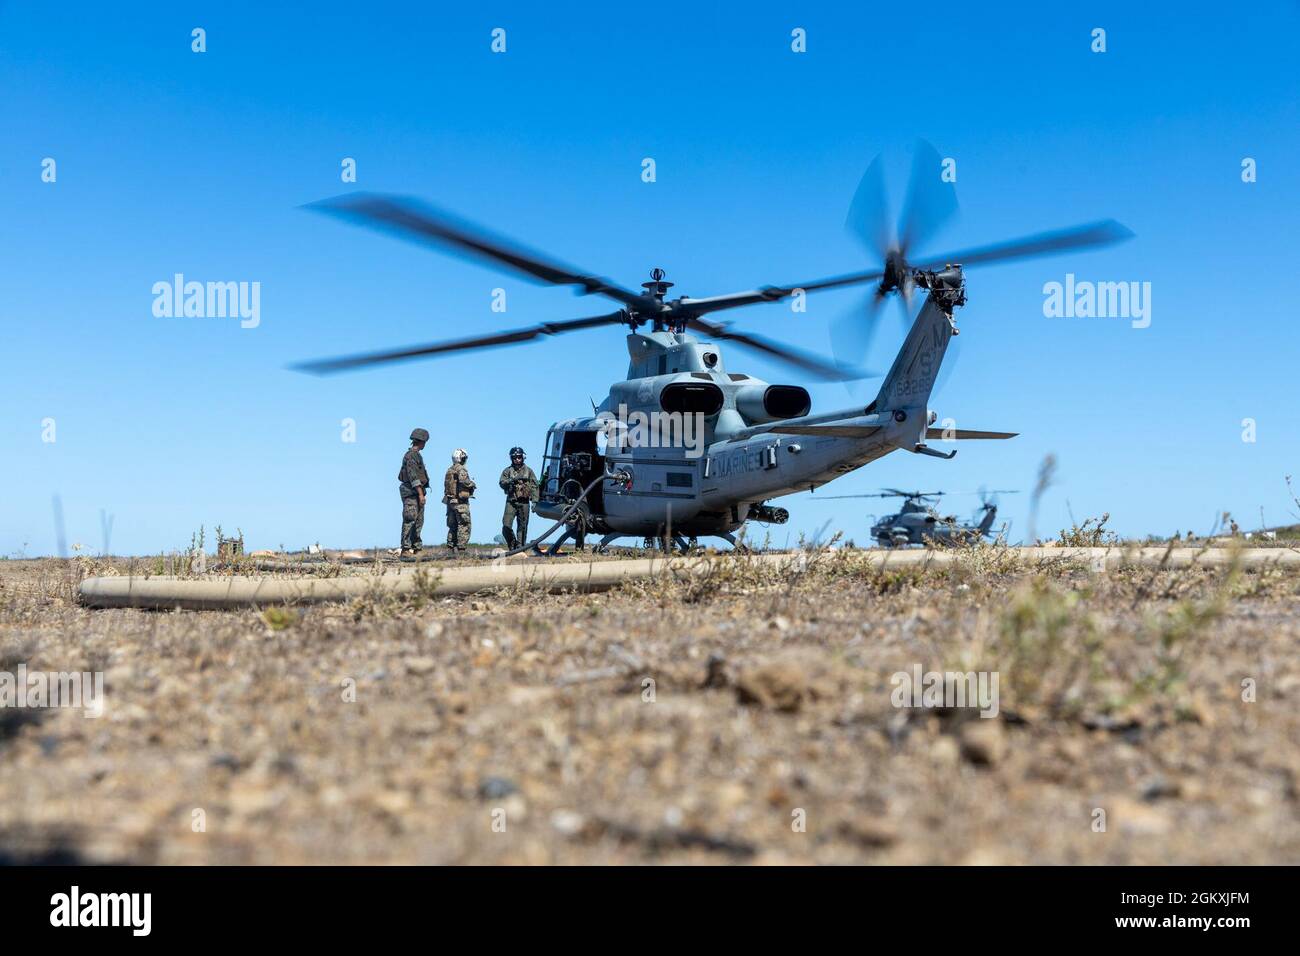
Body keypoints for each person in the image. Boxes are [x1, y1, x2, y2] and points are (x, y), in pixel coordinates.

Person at [498, 446, 539, 549]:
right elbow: (501, 483)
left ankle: (521, 548)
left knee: (522, 527)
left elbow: (534, 486)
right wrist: (509, 481)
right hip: (511, 502)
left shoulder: (529, 471)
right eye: (515, 457)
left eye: (519, 457)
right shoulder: (507, 471)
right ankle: (512, 545)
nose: (517, 459)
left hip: (524, 502)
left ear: (522, 457)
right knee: (506, 526)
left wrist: (535, 501)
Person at [398, 428, 430, 555]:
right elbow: (413, 477)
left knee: (418, 521)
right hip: (412, 493)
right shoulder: (411, 456)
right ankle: (405, 549)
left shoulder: (417, 455)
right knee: (410, 519)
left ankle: (417, 548)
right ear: (421, 442)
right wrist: (421, 494)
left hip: (417, 493)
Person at [443, 448, 475, 554]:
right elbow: (464, 481)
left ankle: (450, 548)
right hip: (460, 503)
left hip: (450, 502)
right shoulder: (461, 469)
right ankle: (461, 550)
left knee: (452, 526)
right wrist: (472, 484)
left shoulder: (449, 470)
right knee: (464, 524)